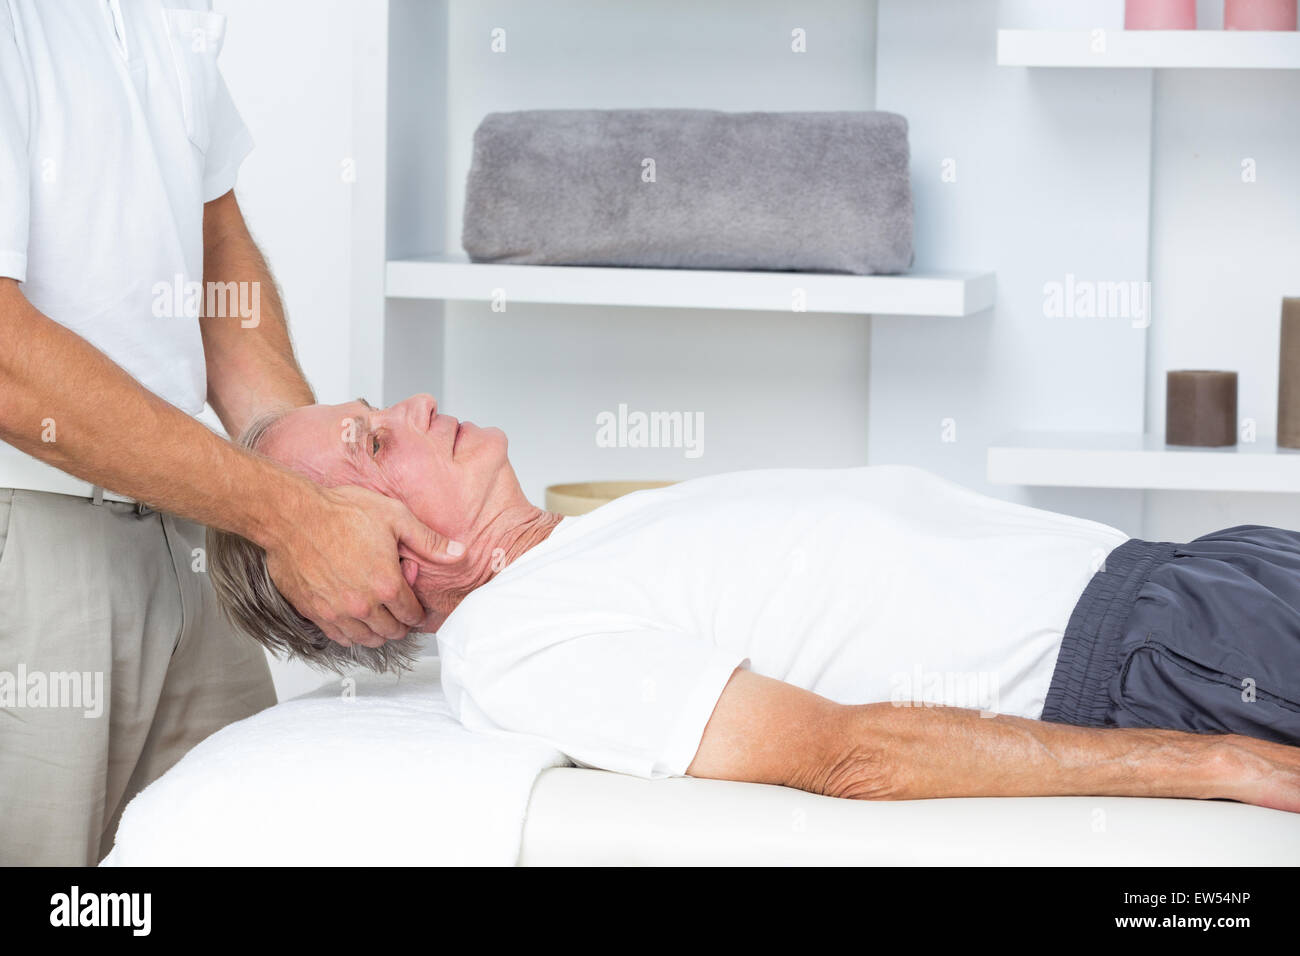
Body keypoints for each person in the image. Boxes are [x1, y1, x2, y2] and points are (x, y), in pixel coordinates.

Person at [210, 395, 1300, 814]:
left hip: (1202, 578)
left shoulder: (573, 547)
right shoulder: (510, 644)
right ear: (367, 557)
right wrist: (1213, 762)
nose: (414, 405)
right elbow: (843, 754)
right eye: (373, 443)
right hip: (1166, 656)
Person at [0, 2, 460, 865]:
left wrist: (324, 485)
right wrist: (293, 518)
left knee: (232, 843)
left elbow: (213, 254)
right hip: (29, 538)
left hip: (193, 523)